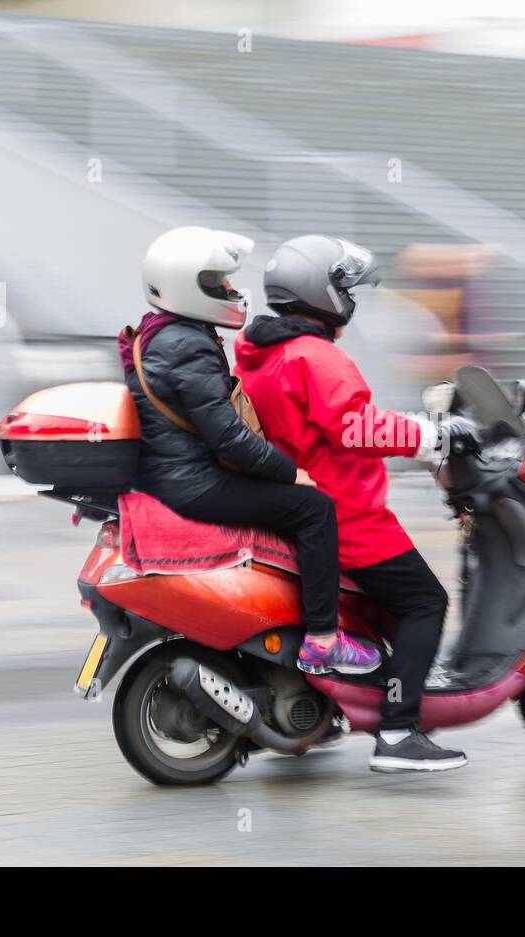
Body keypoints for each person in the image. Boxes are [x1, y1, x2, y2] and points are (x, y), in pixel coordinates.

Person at [235, 234, 478, 773]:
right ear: (323, 294)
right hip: (349, 513)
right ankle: (398, 732)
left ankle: (362, 700)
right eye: (346, 288)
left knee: (386, 610)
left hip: (300, 502)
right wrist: (430, 434)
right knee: (426, 602)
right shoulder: (316, 356)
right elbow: (355, 426)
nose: (352, 299)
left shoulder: (264, 353)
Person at [119, 226, 380, 675]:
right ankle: (322, 640)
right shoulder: (187, 345)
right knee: (314, 508)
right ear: (189, 286)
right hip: (194, 484)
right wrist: (288, 471)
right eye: (218, 283)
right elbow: (229, 438)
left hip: (173, 474)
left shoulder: (163, 332)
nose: (231, 290)